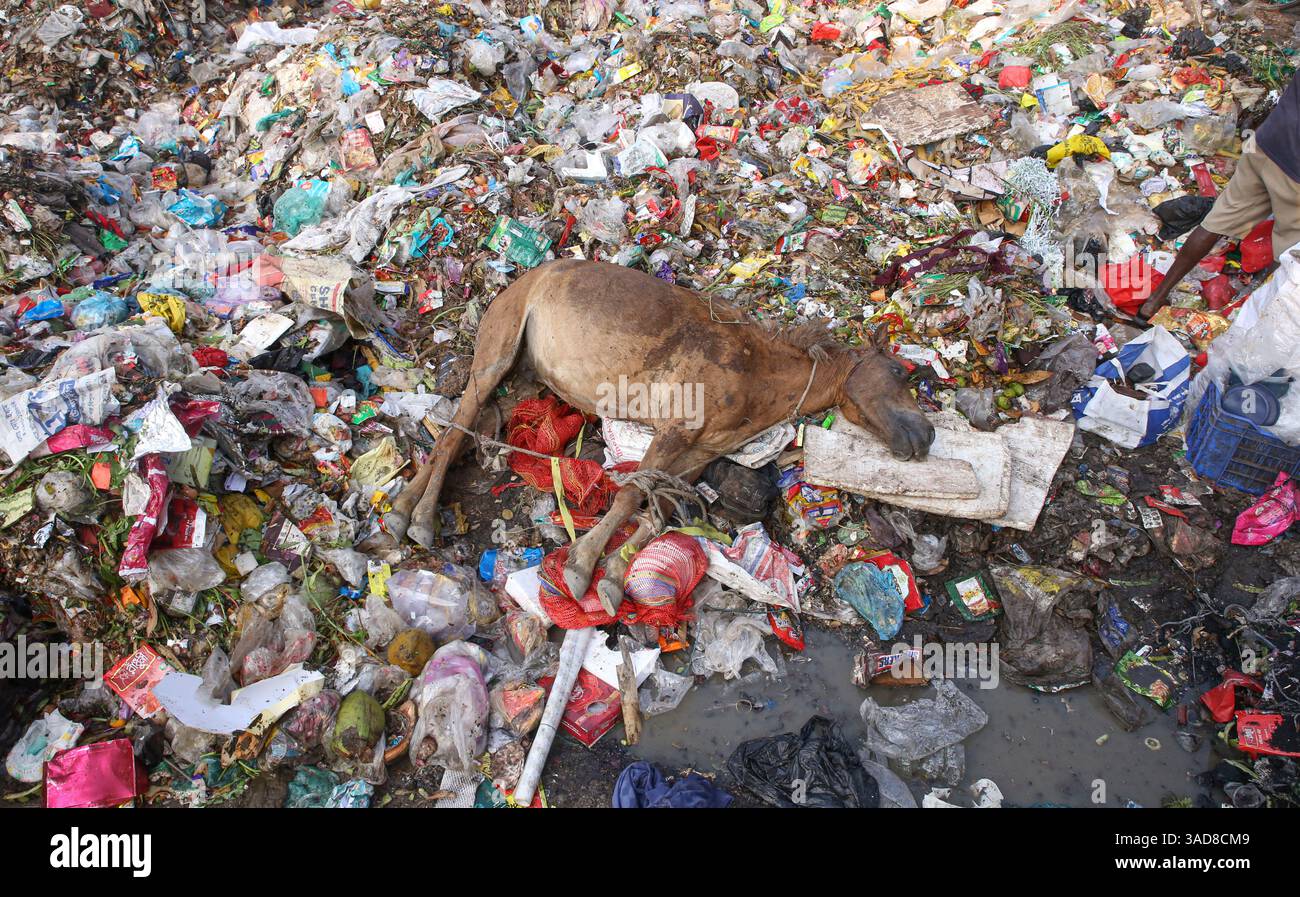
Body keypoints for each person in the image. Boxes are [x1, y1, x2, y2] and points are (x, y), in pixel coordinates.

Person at [1139, 72, 1300, 320]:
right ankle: (1257, 321)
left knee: (1215, 223)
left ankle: (1154, 299)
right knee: (1290, 259)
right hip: (1294, 175)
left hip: (1264, 145)